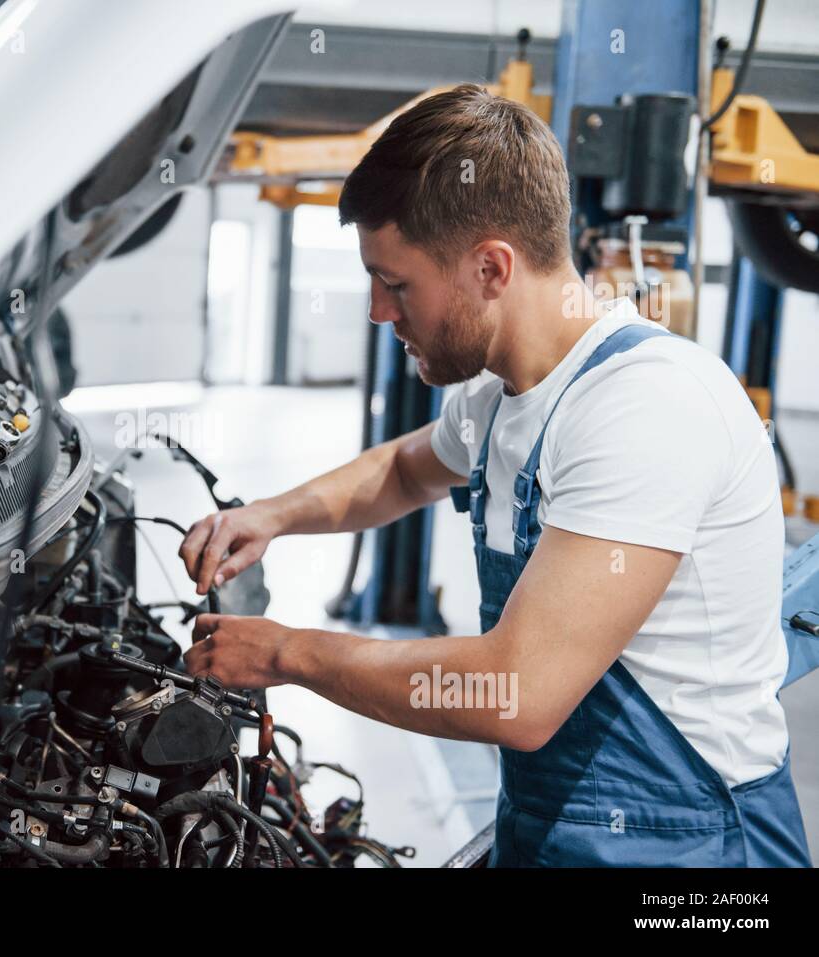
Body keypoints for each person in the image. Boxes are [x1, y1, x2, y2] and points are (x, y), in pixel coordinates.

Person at [178, 84, 811, 867]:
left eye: (397, 283)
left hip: (692, 854)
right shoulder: (500, 389)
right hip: (556, 829)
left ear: (490, 267)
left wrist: (287, 654)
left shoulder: (644, 406)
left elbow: (517, 691)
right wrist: (272, 514)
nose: (379, 312)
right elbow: (404, 471)